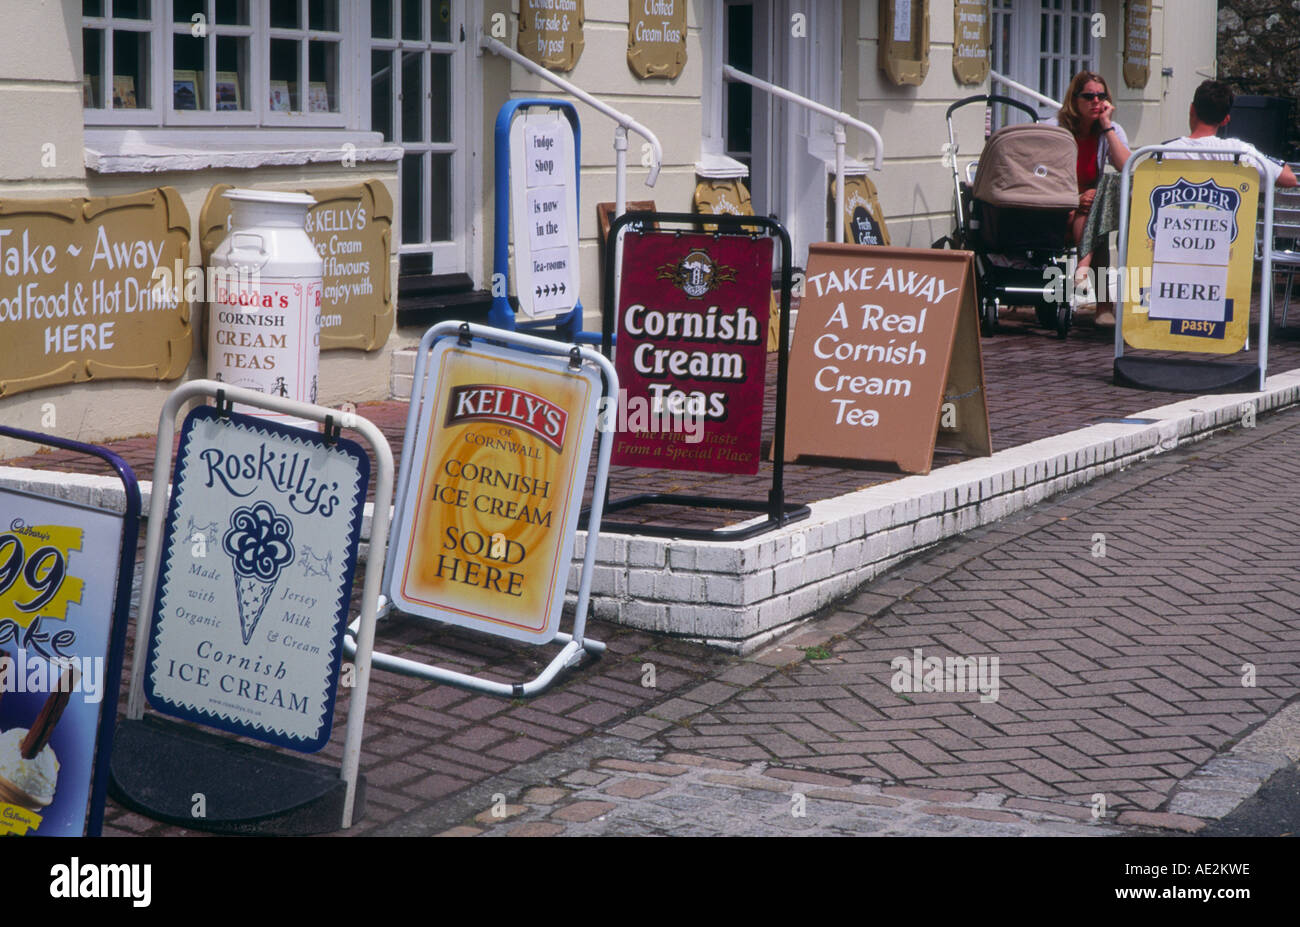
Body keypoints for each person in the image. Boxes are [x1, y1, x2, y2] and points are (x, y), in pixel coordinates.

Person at [1047, 71, 1132, 326]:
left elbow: (1127, 166)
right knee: (1095, 216)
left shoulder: (1110, 130)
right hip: (1056, 208)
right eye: (1089, 96)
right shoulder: (1054, 129)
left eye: (1101, 96)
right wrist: (1074, 198)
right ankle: (1103, 306)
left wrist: (1106, 125)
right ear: (1074, 99)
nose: (1096, 101)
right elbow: (1042, 177)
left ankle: (1082, 269)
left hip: (1086, 210)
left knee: (1102, 195)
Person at [1167, 79, 1297, 188]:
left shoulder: (1164, 152)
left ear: (1191, 109)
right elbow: (1289, 179)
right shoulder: (1239, 152)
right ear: (1225, 120)